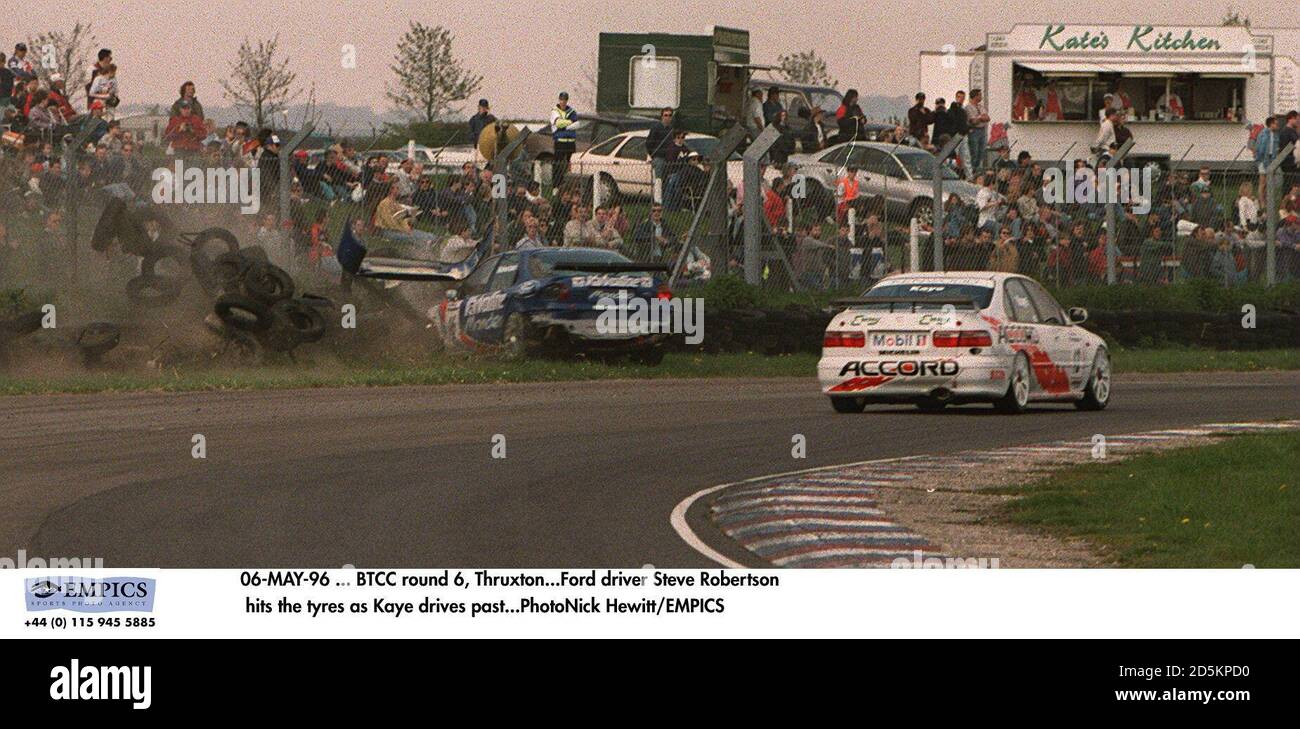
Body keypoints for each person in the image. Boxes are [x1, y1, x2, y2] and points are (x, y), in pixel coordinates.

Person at [549, 92, 577, 192]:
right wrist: (569, 123)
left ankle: (570, 187)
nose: (563, 102)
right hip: (560, 142)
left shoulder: (572, 111)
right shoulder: (554, 111)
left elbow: (576, 124)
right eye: (561, 99)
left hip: (571, 142)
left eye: (564, 100)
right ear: (559, 100)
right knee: (557, 165)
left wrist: (564, 124)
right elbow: (558, 123)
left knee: (572, 165)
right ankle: (555, 187)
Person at [646, 107, 676, 189]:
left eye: (670, 115)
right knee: (658, 180)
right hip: (659, 158)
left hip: (669, 159)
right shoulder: (656, 128)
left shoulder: (671, 129)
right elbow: (648, 144)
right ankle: (657, 200)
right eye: (665, 115)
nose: (667, 117)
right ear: (662, 116)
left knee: (667, 181)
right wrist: (654, 156)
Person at [965, 89, 990, 175]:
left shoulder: (981, 107)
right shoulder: (968, 107)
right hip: (974, 131)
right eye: (979, 95)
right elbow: (973, 121)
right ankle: (971, 172)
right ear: (975, 96)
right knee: (974, 152)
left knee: (981, 152)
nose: (981, 97)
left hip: (982, 130)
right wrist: (980, 117)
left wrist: (978, 118)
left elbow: (987, 118)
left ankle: (977, 172)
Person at [1254, 116, 1279, 200]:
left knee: (1269, 183)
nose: (1277, 125)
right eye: (1276, 124)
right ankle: (1262, 205)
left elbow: (1275, 148)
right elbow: (1260, 148)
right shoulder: (1263, 133)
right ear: (1271, 124)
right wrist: (1260, 160)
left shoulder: (1275, 134)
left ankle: (1267, 202)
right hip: (1263, 160)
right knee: (1262, 183)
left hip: (1271, 159)